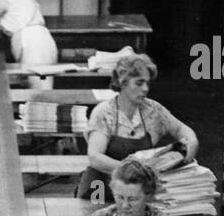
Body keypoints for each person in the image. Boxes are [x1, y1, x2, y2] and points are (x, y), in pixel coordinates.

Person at [78, 52, 199, 202]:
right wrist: (133, 171)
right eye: (139, 83)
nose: (145, 89)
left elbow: (180, 129)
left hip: (135, 194)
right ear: (123, 82)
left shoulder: (153, 110)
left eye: (147, 83)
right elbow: (95, 157)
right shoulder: (104, 112)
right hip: (100, 190)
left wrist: (192, 141)